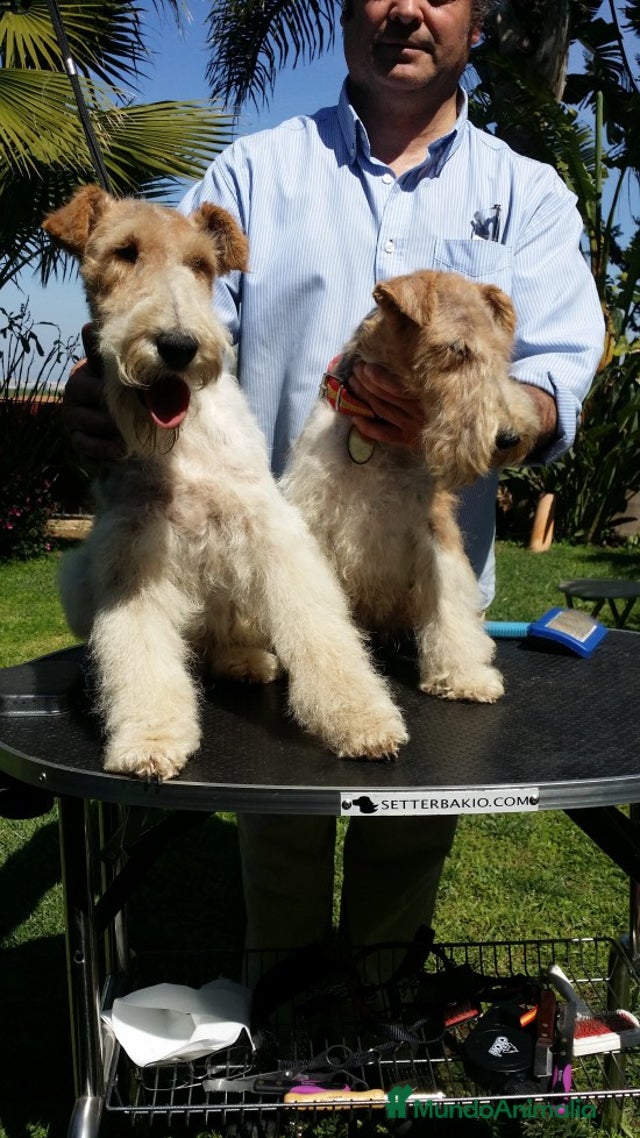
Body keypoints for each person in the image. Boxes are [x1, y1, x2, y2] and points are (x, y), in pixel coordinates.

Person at [63, 0, 604, 975]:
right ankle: (283, 1011)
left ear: (473, 18)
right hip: (265, 597)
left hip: (424, 595)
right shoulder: (252, 173)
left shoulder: (527, 196)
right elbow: (155, 288)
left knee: (407, 843)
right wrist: (104, 385)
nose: (404, 7)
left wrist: (479, 411)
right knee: (277, 837)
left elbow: (554, 379)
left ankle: (382, 995)